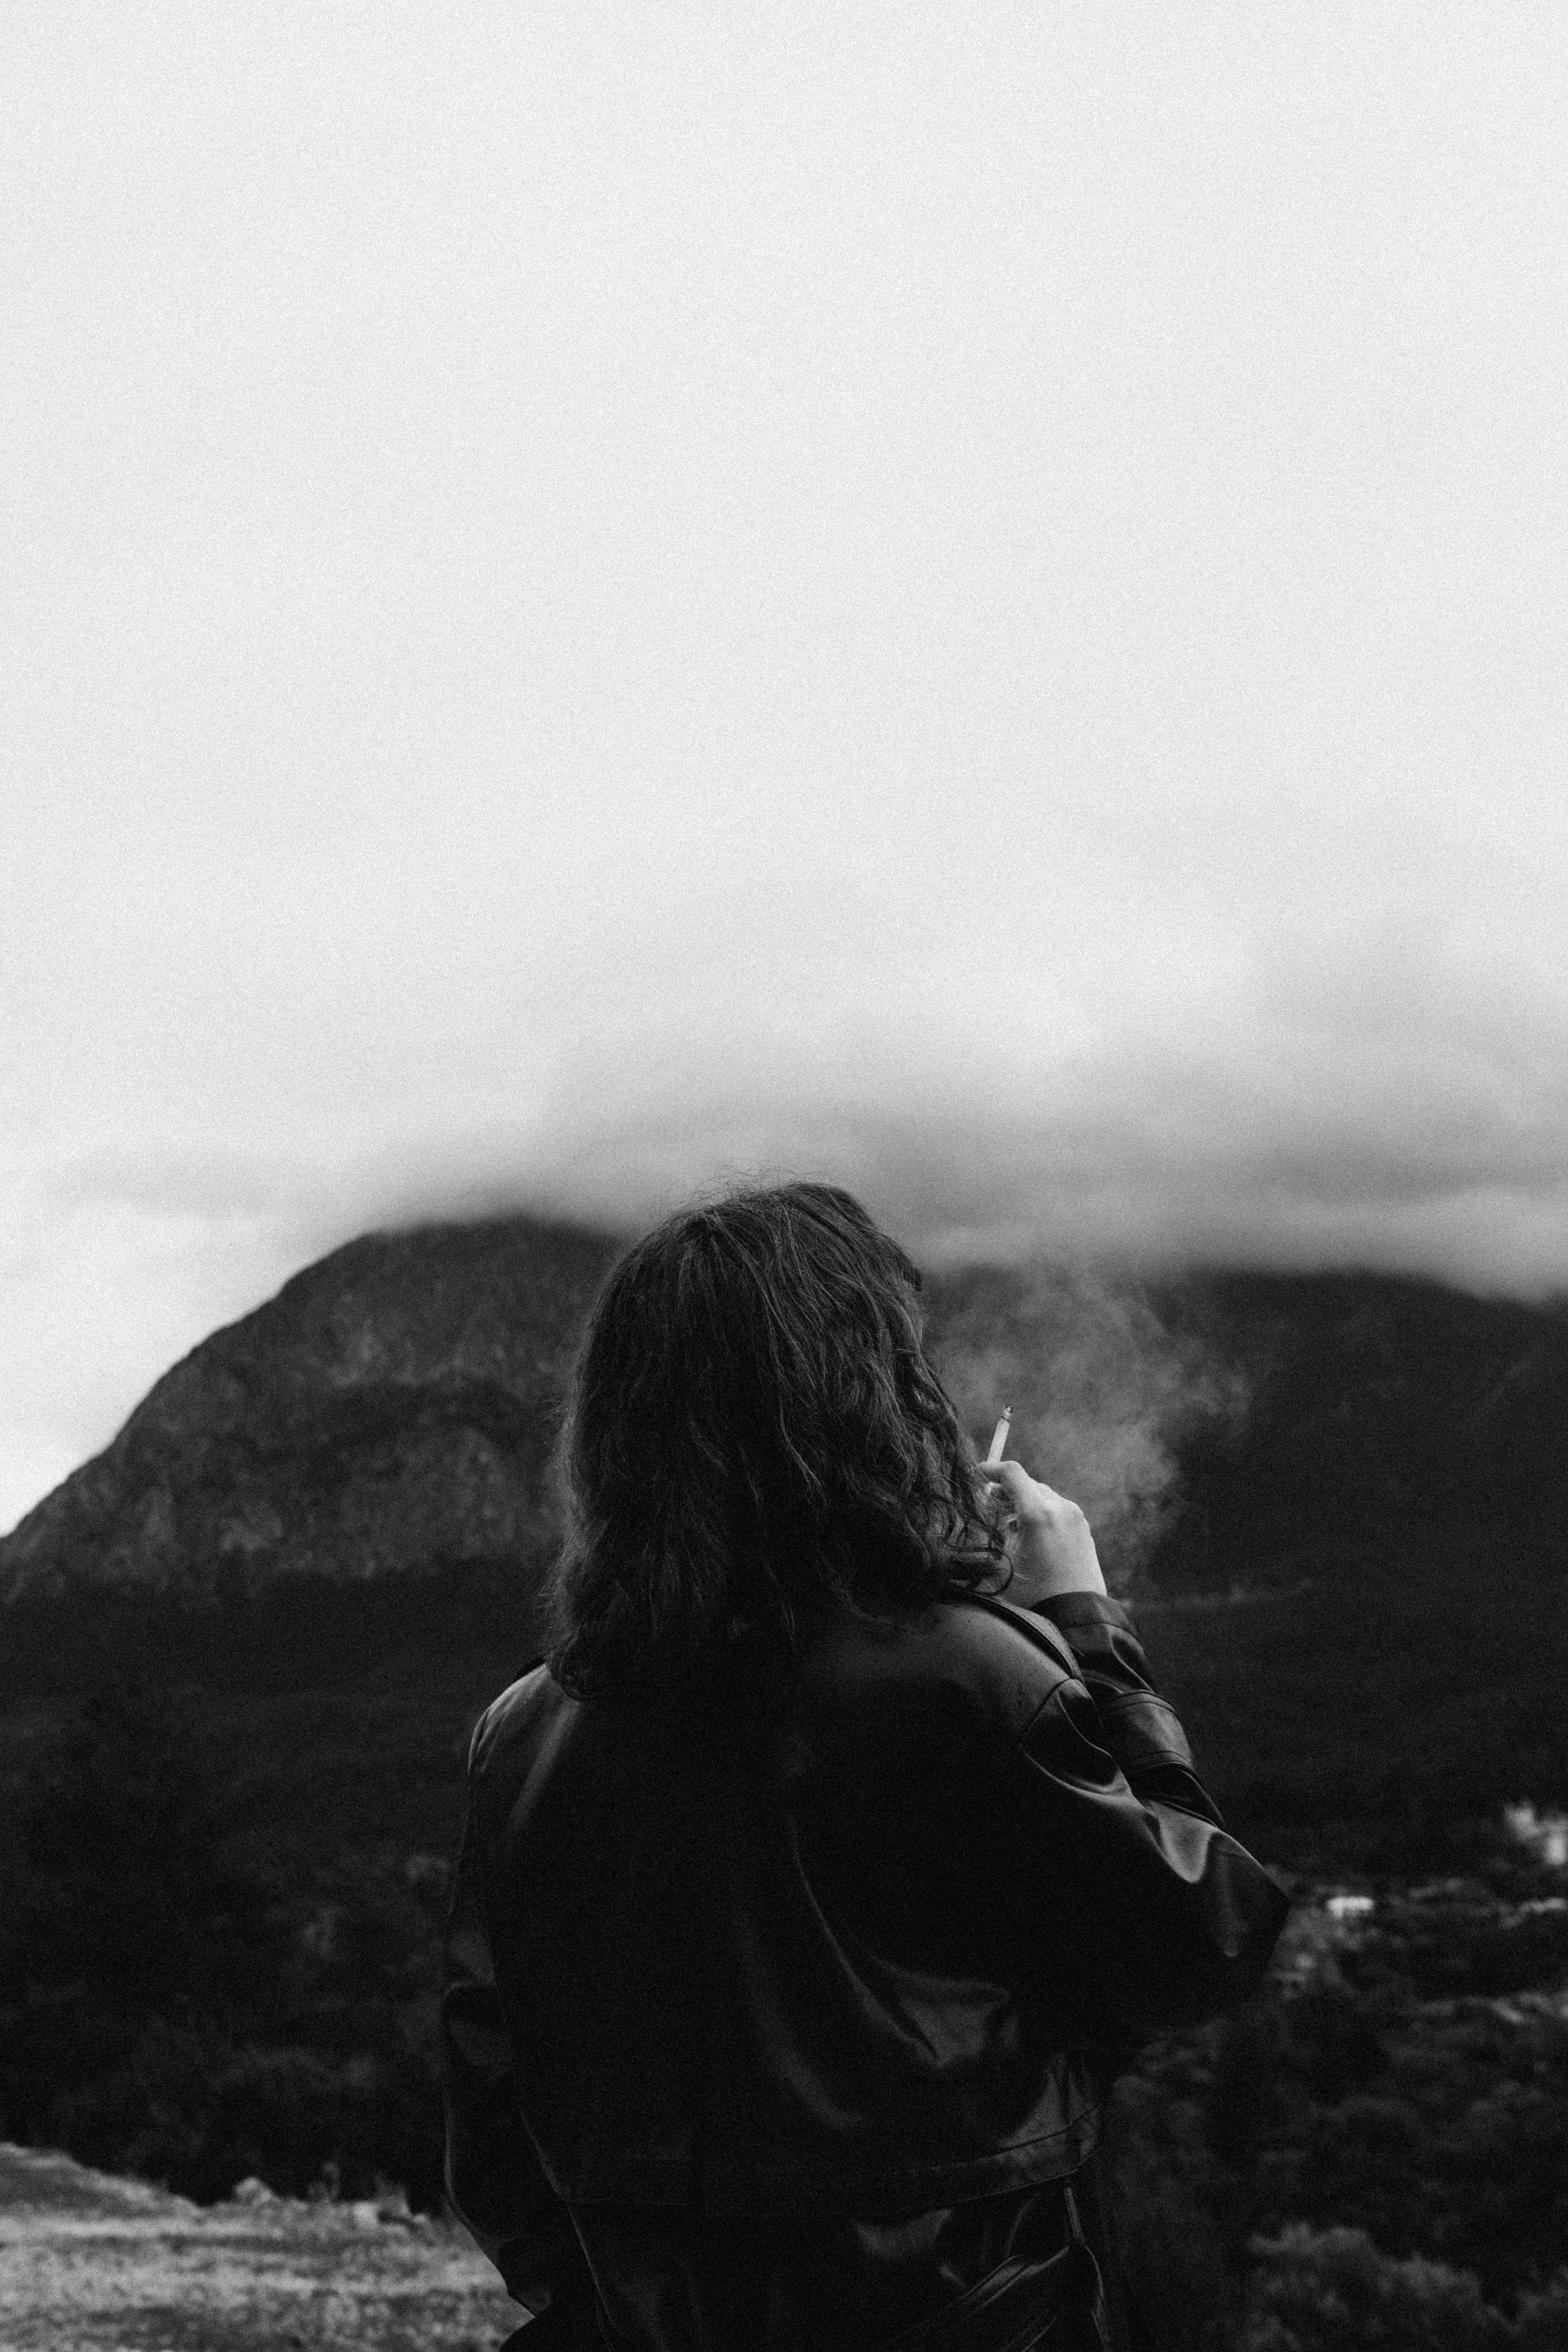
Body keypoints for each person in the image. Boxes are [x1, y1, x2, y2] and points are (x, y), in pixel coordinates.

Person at [441, 1183, 1289, 2349]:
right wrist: (1088, 1627)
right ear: (870, 1400)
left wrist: (614, 2305)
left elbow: (493, 2125)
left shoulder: (520, 1735)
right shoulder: (972, 1674)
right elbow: (1204, 1941)